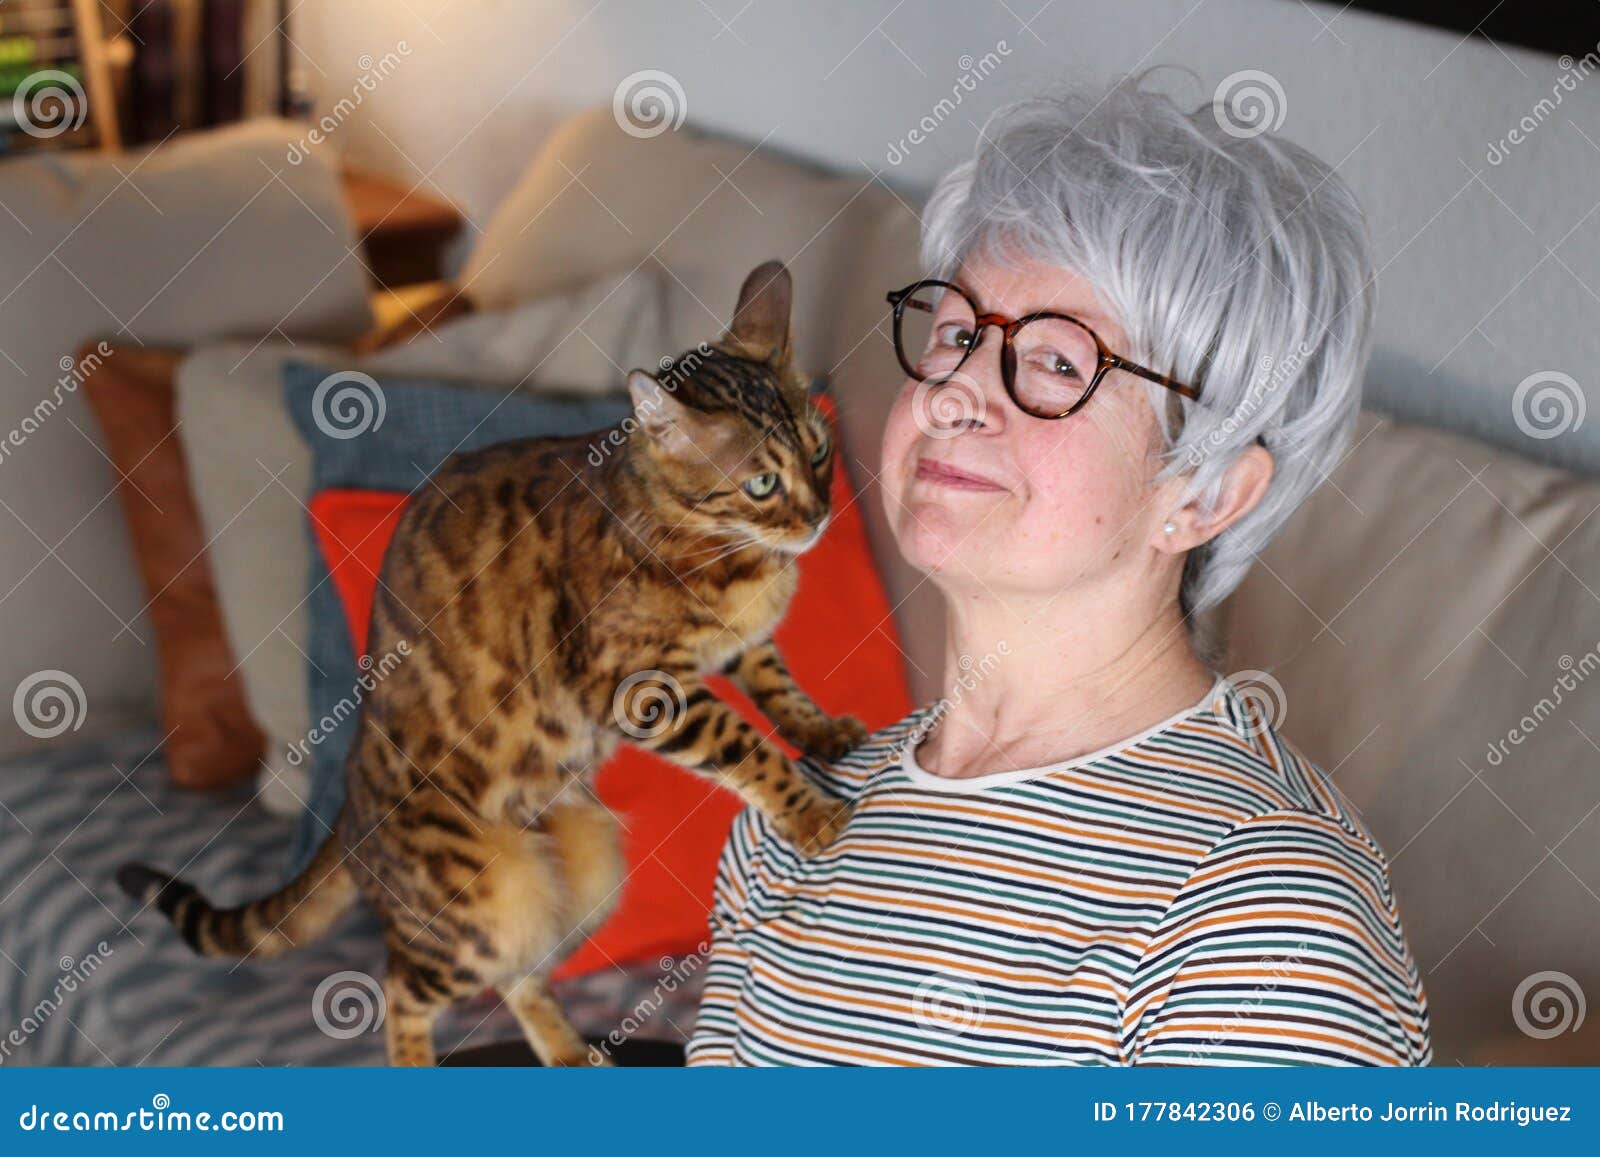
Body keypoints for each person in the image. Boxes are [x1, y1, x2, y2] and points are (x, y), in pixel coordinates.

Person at [687, 76, 1430, 1066]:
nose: (955, 393)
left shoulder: (1265, 924)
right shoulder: (793, 820)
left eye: (1057, 363)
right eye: (958, 332)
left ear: (1202, 494)